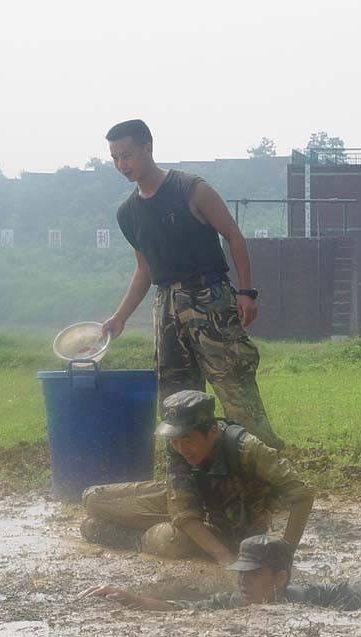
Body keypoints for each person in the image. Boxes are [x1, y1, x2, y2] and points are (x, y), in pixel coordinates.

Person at [102, 118, 282, 448]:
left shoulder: (191, 189)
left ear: (148, 147)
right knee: (176, 400)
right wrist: (120, 317)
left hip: (211, 300)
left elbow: (233, 236)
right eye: (115, 158)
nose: (121, 165)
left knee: (236, 391)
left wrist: (246, 292)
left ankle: (269, 473)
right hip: (167, 307)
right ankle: (192, 478)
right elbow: (144, 271)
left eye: (126, 155)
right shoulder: (127, 213)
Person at [81, 390, 312, 564]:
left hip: (225, 527)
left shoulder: (248, 450)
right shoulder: (179, 447)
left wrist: (285, 553)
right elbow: (183, 512)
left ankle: (132, 538)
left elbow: (301, 494)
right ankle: (118, 524)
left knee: (168, 542)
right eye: (174, 440)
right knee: (92, 499)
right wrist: (223, 558)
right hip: (190, 506)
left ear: (212, 432)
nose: (180, 448)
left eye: (187, 439)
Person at [79, 535, 361, 612]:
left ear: (280, 578)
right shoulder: (232, 602)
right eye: (240, 573)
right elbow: (181, 610)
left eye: (251, 574)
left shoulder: (310, 597)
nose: (242, 581)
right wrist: (131, 598)